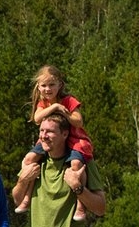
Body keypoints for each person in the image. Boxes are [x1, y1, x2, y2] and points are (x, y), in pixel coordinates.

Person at [13, 65, 94, 214]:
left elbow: (79, 121)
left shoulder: (68, 101)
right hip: (49, 138)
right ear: (38, 87)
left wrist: (67, 114)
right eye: (43, 86)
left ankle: (80, 205)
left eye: (51, 85)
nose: (47, 89)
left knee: (76, 163)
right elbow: (37, 118)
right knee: (30, 159)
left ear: (59, 85)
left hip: (73, 138)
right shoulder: (44, 103)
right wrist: (55, 107)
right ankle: (27, 197)